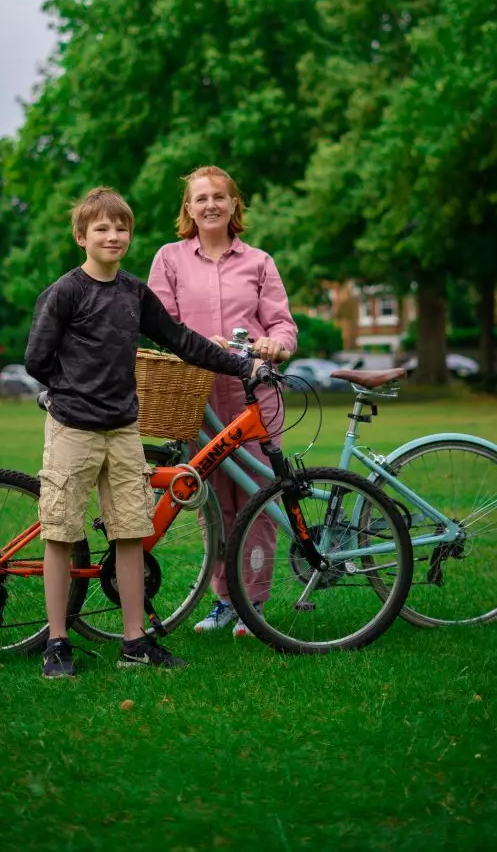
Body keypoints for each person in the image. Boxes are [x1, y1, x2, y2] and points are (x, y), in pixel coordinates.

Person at [24, 185, 262, 679]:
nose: (114, 236)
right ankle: (57, 643)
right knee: (61, 534)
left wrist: (240, 365)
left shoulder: (133, 291)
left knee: (131, 533)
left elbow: (180, 340)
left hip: (124, 429)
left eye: (121, 228)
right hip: (73, 429)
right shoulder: (66, 291)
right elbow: (36, 358)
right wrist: (63, 393)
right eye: (102, 229)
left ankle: (134, 641)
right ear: (80, 236)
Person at [148, 165, 297, 638]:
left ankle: (253, 605)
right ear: (188, 209)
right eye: (201, 198)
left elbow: (282, 324)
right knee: (211, 501)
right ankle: (223, 602)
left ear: (234, 205)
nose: (210, 204)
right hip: (197, 394)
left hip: (255, 390)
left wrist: (277, 344)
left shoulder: (259, 261)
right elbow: (160, 324)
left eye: (220, 196)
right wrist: (196, 343)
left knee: (258, 497)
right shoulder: (170, 259)